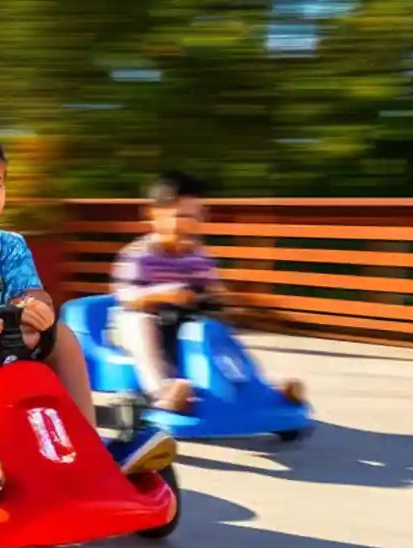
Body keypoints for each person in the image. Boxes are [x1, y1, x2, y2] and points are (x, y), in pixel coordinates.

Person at [0, 125, 177, 507]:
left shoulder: (11, 245)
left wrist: (37, 307)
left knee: (62, 334)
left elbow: (33, 290)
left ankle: (90, 449)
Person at [110, 171, 304, 411]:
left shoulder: (199, 256)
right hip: (139, 320)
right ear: (154, 215)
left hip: (182, 321)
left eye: (195, 216)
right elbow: (125, 297)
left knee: (218, 332)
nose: (188, 224)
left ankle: (263, 391)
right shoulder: (139, 255)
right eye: (179, 216)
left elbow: (212, 288)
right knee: (139, 324)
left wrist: (223, 300)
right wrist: (161, 294)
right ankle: (162, 391)